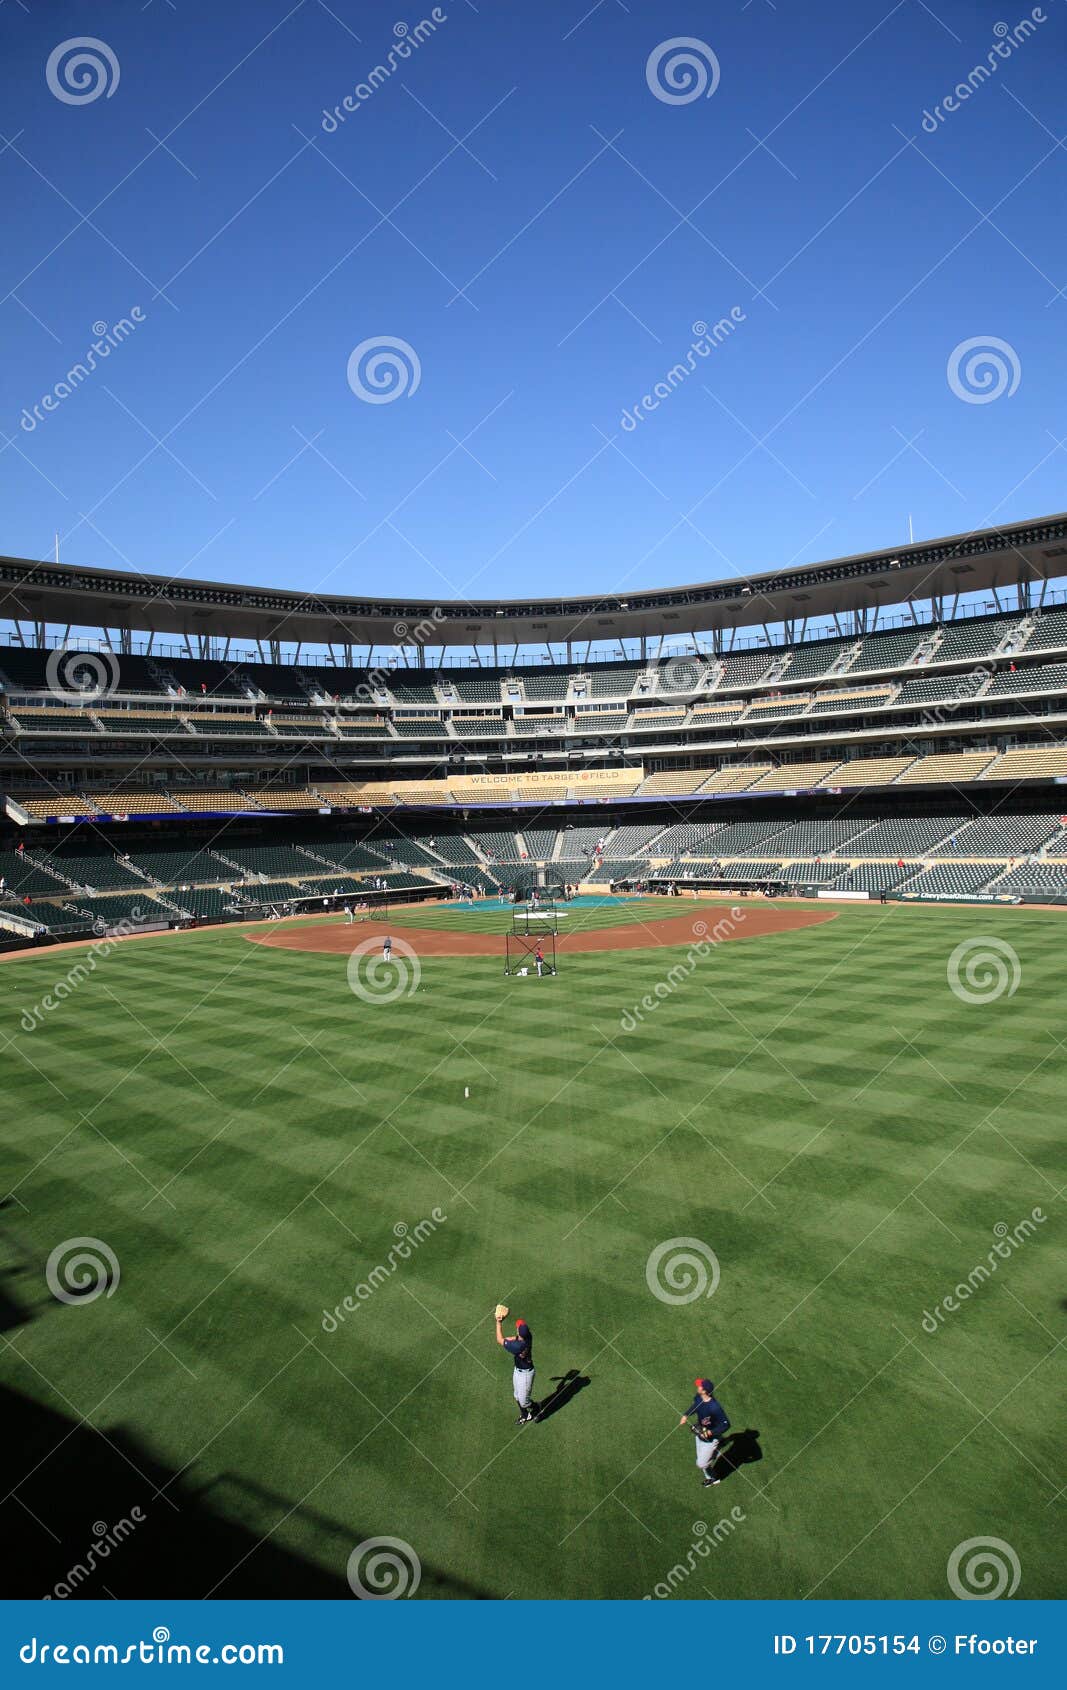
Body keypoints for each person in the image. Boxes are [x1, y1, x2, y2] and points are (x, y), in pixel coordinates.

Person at [679, 1378, 730, 1486]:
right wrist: (686, 1415)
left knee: (701, 1464)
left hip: (711, 1438)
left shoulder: (714, 1407)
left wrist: (710, 1433)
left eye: (699, 1386)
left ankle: (718, 1444)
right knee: (703, 1461)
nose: (697, 1386)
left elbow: (726, 1424)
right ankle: (712, 1478)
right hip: (700, 1433)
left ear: (704, 1391)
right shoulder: (699, 1397)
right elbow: (695, 1406)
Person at [496, 1310, 538, 1424]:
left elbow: (499, 1339)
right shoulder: (528, 1336)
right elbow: (515, 1337)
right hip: (519, 1370)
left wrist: (498, 1322)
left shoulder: (517, 1346)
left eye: (518, 1327)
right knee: (517, 1396)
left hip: (526, 1374)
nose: (517, 1326)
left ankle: (536, 1407)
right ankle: (525, 1415)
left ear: (520, 1333)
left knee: (524, 1402)